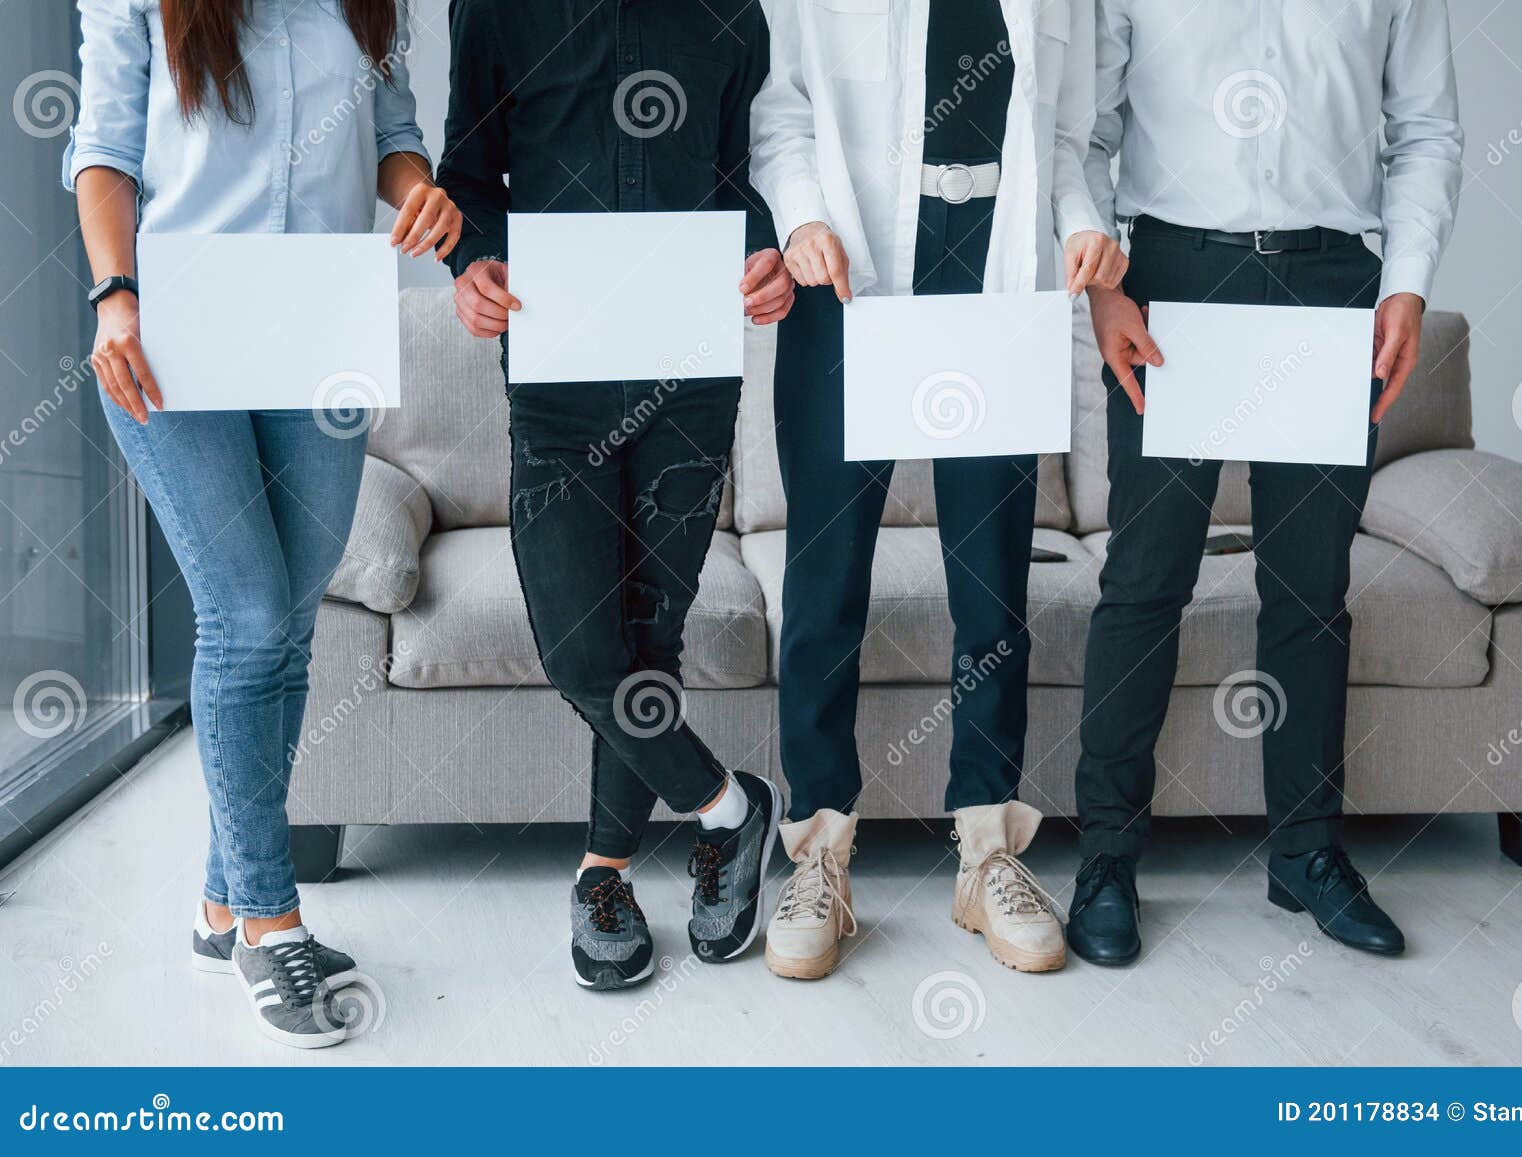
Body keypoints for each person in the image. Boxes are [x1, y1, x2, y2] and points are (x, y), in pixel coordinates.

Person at [67, 0, 458, 1046]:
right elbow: (102, 148)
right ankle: (269, 921)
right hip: (167, 332)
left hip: (317, 326)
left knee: (286, 622)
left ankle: (218, 902)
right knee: (243, 616)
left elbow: (393, 136)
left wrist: (420, 194)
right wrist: (114, 297)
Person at [1068, 0, 1464, 965]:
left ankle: (1307, 854)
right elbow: (1083, 132)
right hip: (1169, 275)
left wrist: (1405, 281)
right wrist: (1106, 287)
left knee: (1310, 593)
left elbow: (1425, 129)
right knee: (1144, 581)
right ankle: (1107, 859)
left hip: (1333, 284)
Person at [749, 0, 1125, 980]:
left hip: (997, 279)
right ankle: (818, 851)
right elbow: (780, 109)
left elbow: (1069, 133)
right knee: (824, 583)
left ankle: (986, 850)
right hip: (846, 277)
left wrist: (1084, 226)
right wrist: (800, 219)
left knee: (992, 587)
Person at [437, 0, 795, 990]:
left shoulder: (732, 11)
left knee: (648, 635)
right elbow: (465, 177)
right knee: (579, 646)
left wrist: (764, 252)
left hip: (691, 364)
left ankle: (606, 870)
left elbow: (743, 176)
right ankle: (730, 807)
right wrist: (469, 262)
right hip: (557, 366)